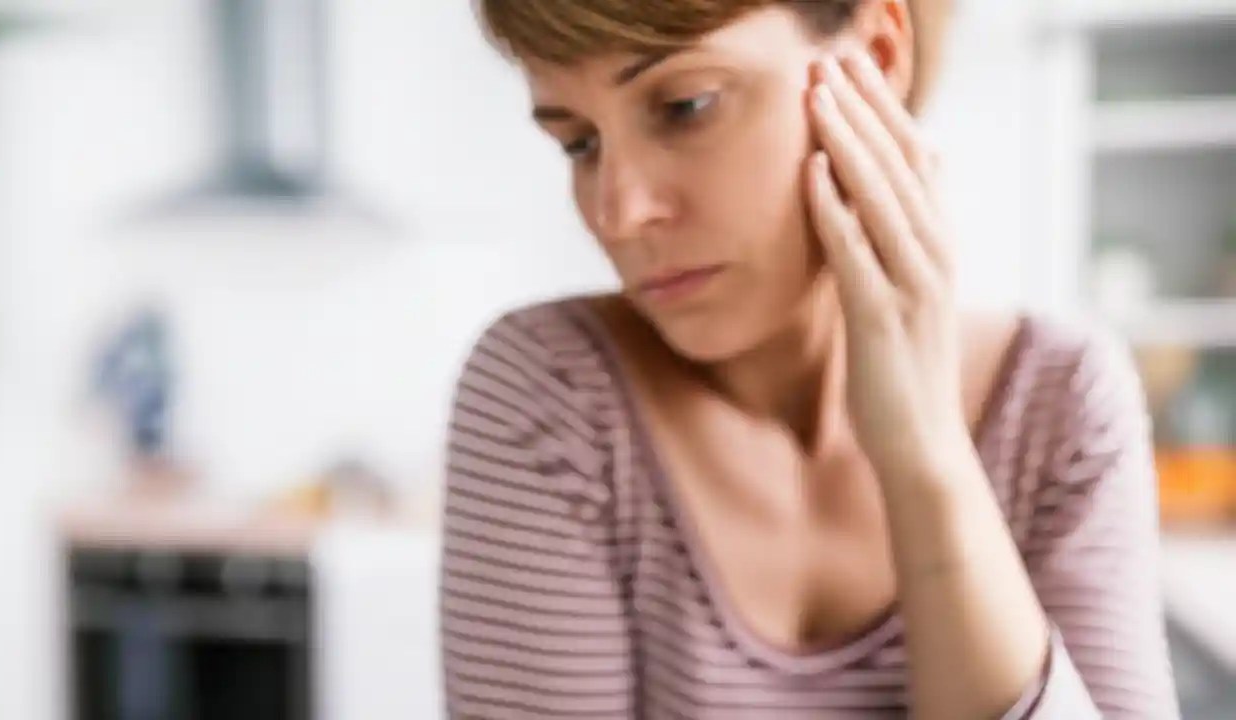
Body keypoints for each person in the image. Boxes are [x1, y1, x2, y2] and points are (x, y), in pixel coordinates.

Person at [438, 1, 1179, 717]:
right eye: (580, 143)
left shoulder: (1059, 404)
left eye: (686, 106)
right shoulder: (552, 393)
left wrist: (924, 453)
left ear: (878, 56)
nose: (619, 211)